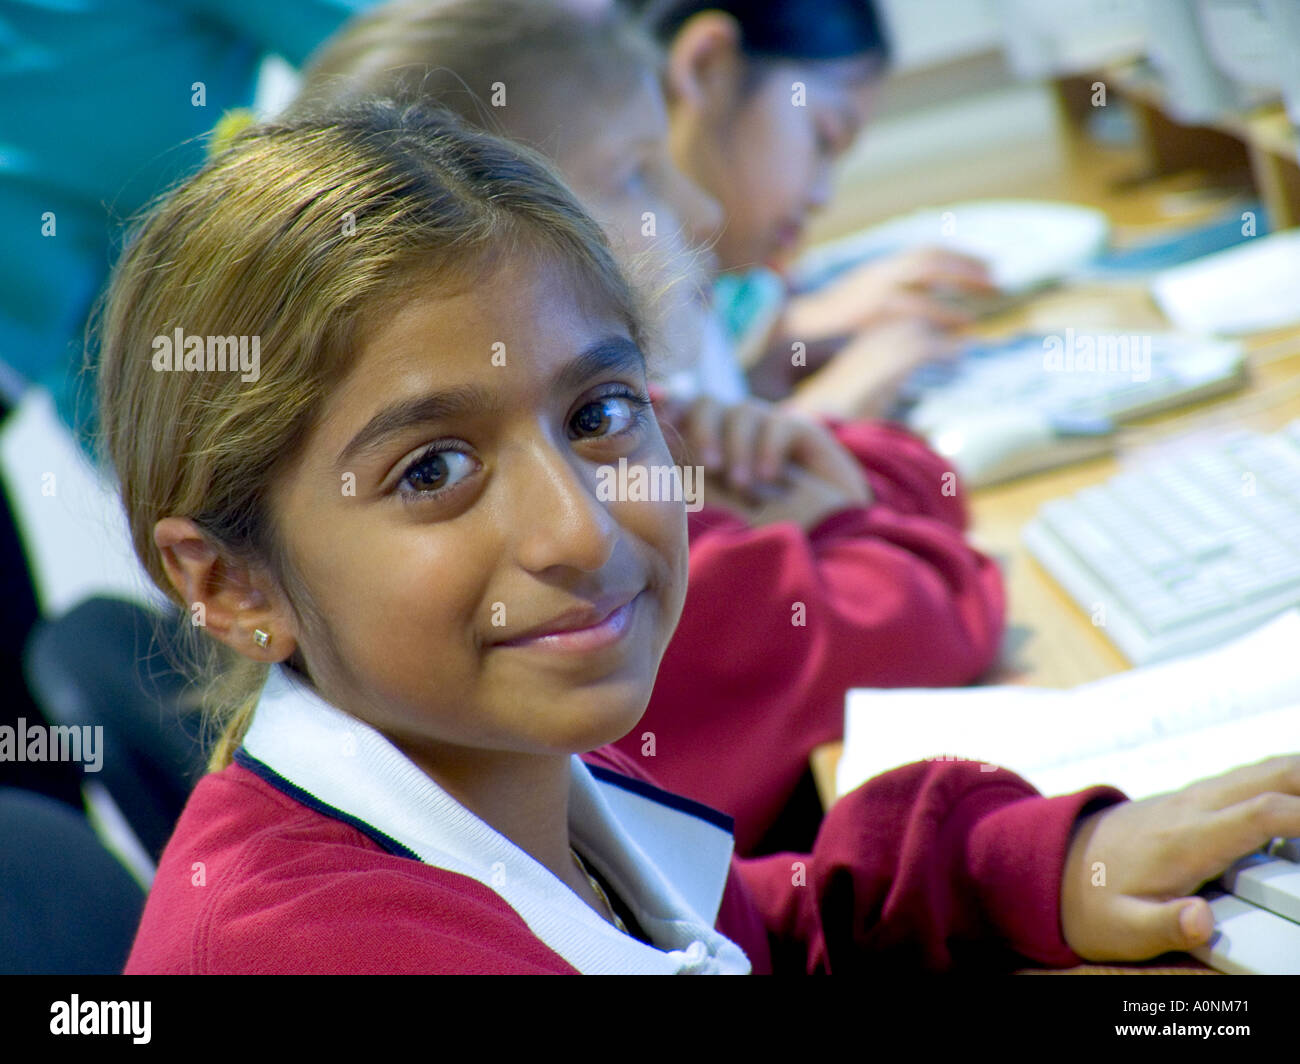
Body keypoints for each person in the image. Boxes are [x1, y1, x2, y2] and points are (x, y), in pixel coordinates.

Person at [105, 101, 1300, 974]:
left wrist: (1037, 861)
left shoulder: (492, 764)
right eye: (433, 469)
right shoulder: (332, 952)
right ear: (229, 578)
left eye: (599, 413)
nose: (577, 527)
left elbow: (749, 928)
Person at [291, 0, 1004, 854]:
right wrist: (845, 512)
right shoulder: (585, 558)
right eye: (636, 174)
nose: (698, 209)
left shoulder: (637, 439)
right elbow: (927, 620)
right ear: (491, 216)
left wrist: (822, 476)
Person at [627, 0, 999, 416]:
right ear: (706, 65)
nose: (822, 196)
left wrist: (765, 367)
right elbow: (671, 476)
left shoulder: (690, 284)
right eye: (823, 138)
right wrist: (825, 408)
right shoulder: (616, 279)